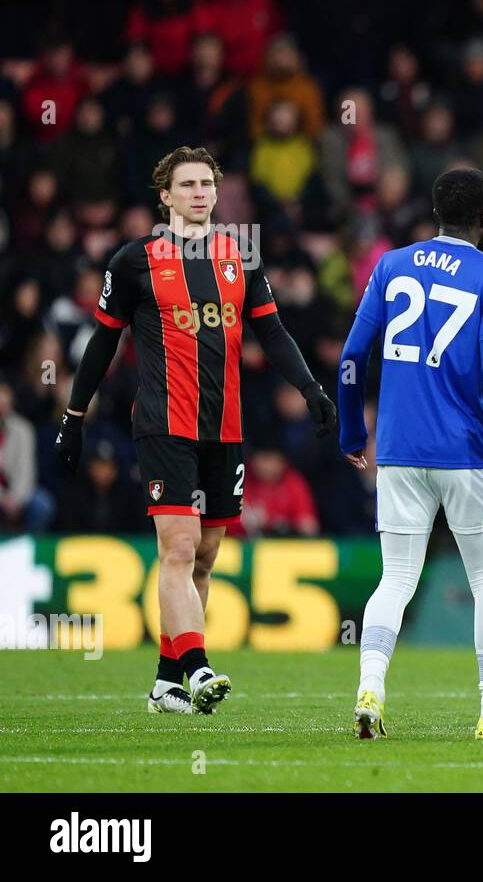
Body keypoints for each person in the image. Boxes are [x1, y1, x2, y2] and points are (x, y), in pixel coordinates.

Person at [54, 146, 336, 715]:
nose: (200, 193)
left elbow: (273, 333)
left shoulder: (240, 256)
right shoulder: (134, 261)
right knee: (178, 549)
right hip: (163, 423)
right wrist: (74, 416)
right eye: (187, 185)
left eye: (207, 183)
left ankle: (166, 681)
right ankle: (198, 664)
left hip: (225, 426)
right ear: (166, 196)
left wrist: (311, 388)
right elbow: (103, 341)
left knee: (205, 556)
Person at [337, 167, 483, 741]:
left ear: (435, 213)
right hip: (468, 454)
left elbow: (351, 357)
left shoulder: (390, 264)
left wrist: (354, 432)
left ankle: (369, 688)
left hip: (398, 451)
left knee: (395, 580)